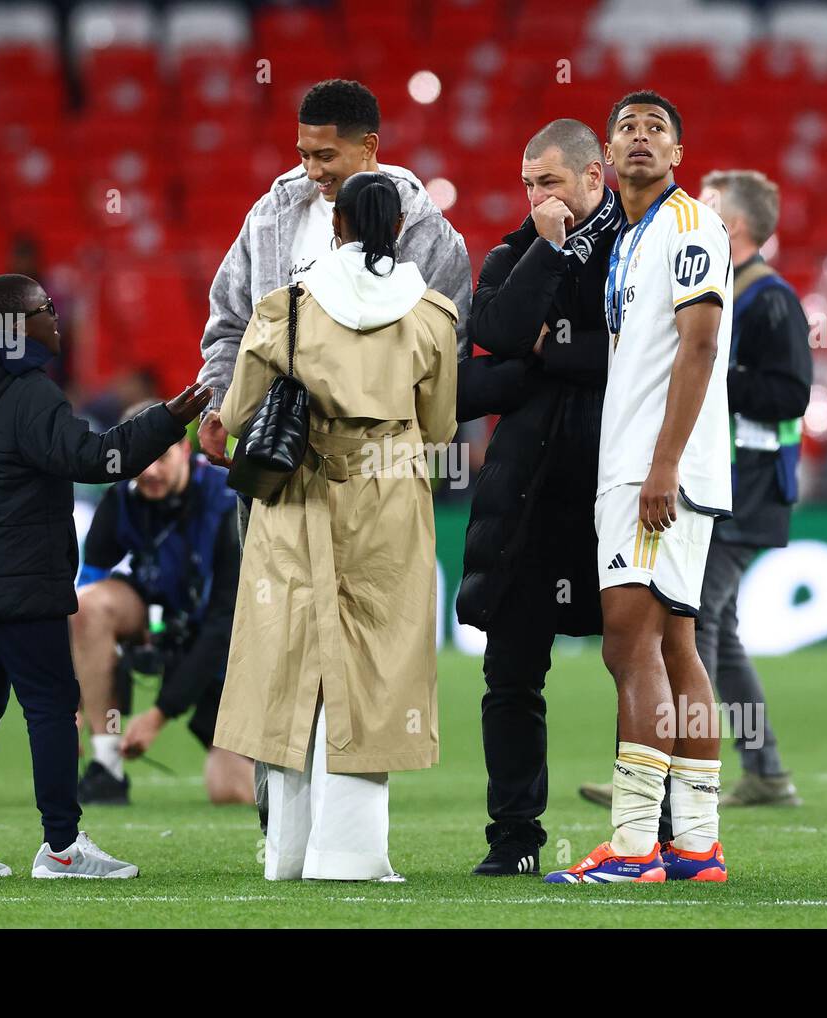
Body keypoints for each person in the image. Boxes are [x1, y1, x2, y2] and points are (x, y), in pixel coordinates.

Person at [195, 77, 472, 827]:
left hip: (374, 478)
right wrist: (224, 403)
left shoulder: (431, 236)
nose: (311, 169)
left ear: (369, 149)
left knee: (370, 651)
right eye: (303, 153)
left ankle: (341, 828)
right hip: (280, 469)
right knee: (277, 646)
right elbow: (228, 325)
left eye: (326, 155)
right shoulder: (270, 214)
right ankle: (279, 827)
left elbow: (447, 348)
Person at [0, 273, 210, 879]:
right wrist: (169, 419)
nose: (56, 317)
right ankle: (63, 847)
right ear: (17, 326)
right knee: (50, 706)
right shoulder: (29, 394)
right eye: (45, 309)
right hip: (24, 580)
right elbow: (98, 460)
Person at [578, 168, 812, 813]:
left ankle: (659, 793)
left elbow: (792, 394)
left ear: (730, 225)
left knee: (680, 630)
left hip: (745, 484)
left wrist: (712, 375)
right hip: (721, 480)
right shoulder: (715, 284)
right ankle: (758, 773)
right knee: (711, 630)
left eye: (710, 204)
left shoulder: (770, 299)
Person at [545, 91, 732, 885]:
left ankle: (630, 850)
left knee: (630, 646)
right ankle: (695, 844)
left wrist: (661, 464)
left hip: (653, 469)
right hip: (662, 464)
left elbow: (700, 344)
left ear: (679, 154)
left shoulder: (689, 226)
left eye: (659, 127)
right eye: (628, 127)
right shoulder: (634, 238)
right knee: (677, 643)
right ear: (608, 158)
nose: (642, 136)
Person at [456, 119, 620, 876]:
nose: (535, 197)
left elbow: (642, 353)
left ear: (596, 177)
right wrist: (548, 252)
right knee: (511, 674)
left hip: (613, 496)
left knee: (637, 662)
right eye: (528, 183)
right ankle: (514, 839)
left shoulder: (640, 247)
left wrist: (549, 356)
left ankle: (647, 829)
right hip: (524, 498)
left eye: (549, 182)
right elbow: (489, 338)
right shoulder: (515, 252)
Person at [72, 417, 253, 806]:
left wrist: (158, 716)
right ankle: (107, 765)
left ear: (185, 452)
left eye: (163, 458)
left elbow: (225, 624)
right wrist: (69, 701)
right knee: (90, 607)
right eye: (141, 462)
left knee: (232, 790)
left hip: (227, 653)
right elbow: (82, 596)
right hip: (160, 625)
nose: (150, 471)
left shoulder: (225, 503)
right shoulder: (121, 499)